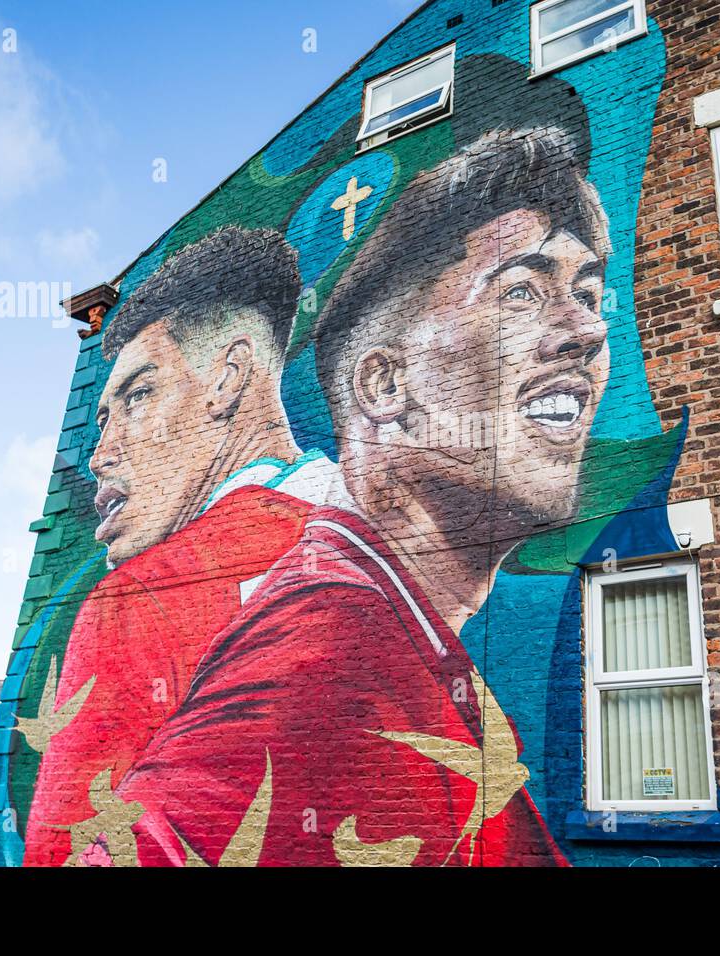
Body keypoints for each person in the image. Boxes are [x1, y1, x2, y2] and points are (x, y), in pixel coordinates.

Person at [111, 125, 609, 866]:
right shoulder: (331, 644)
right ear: (383, 385)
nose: (588, 330)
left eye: (589, 293)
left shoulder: (408, 638)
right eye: (522, 292)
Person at [20, 226, 346, 867]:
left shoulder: (140, 600)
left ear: (228, 380)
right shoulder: (405, 559)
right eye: (103, 417)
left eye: (138, 396)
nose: (100, 456)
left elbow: (61, 852)